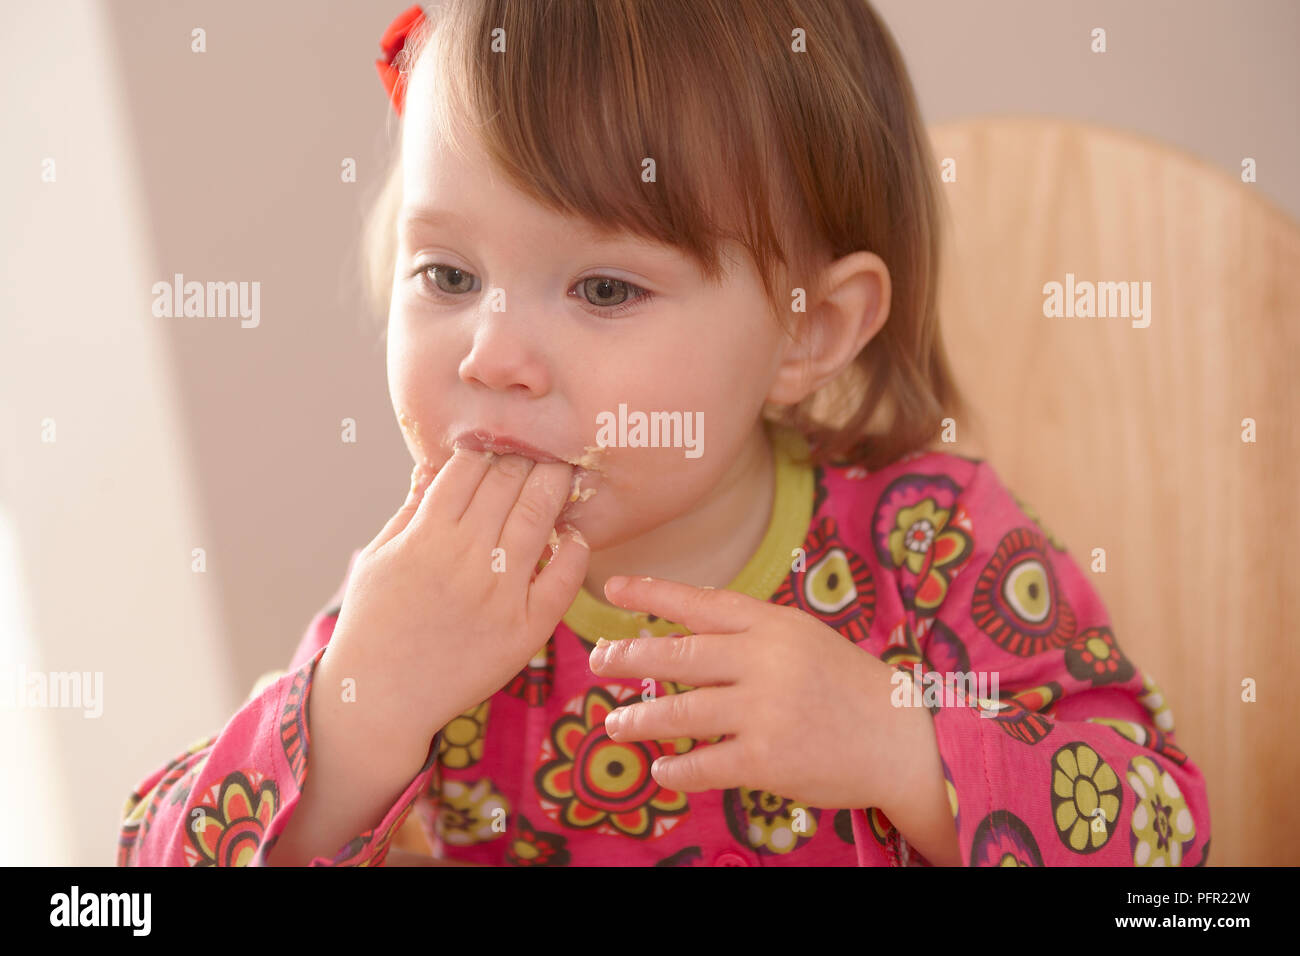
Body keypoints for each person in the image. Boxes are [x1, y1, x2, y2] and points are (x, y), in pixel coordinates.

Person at [117, 0, 1210, 867]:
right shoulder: (430, 602)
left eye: (601, 287)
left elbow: (1168, 836)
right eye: (448, 274)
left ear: (808, 331)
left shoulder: (930, 544)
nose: (491, 354)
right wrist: (355, 714)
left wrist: (898, 743)